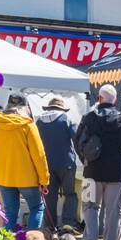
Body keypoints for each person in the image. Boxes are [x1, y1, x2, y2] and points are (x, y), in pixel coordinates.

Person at [76, 83, 121, 240]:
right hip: (116, 175)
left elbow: (78, 141)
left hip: (91, 172)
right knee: (114, 212)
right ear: (115, 100)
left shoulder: (88, 118)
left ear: (99, 98)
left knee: (89, 206)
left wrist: (86, 159)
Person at [0, 94, 49, 230]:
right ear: (25, 107)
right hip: (26, 177)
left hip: (3, 175)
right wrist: (44, 179)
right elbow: (39, 155)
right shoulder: (28, 125)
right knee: (37, 207)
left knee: (10, 212)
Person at [36, 95, 79, 232]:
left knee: (49, 196)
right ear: (62, 108)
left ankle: (49, 227)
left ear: (49, 107)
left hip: (46, 165)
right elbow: (77, 138)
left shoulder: (39, 122)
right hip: (66, 163)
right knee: (70, 195)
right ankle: (67, 224)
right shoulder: (67, 119)